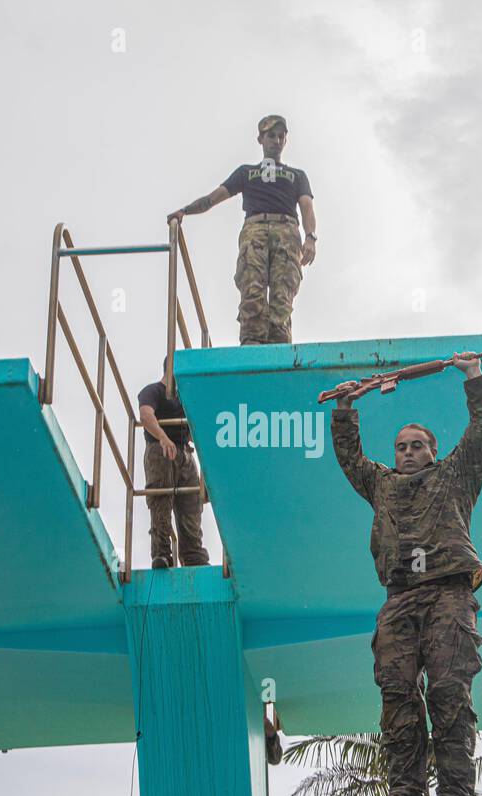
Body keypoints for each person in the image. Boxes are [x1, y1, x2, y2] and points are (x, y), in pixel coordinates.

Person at [330, 352, 482, 796]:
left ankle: (453, 795)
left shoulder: (454, 476)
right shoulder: (381, 484)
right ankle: (404, 790)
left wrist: (474, 377)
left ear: (432, 450)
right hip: (399, 598)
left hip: (448, 593)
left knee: (448, 689)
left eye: (417, 445)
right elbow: (350, 459)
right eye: (401, 446)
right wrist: (345, 409)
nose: (407, 452)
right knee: (396, 690)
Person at [166, 114, 317, 345]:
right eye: (270, 136)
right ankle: (252, 345)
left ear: (285, 141)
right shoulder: (247, 172)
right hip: (255, 230)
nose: (276, 141)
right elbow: (214, 197)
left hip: (287, 231)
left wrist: (310, 237)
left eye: (280, 136)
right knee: (252, 291)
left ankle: (280, 349)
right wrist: (185, 211)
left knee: (282, 296)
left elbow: (306, 206)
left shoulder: (297, 175)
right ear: (260, 139)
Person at [138, 356, 210, 569]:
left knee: (191, 504)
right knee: (161, 500)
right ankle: (161, 553)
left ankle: (193, 555)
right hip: (160, 452)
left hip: (185, 455)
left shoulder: (184, 399)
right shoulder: (154, 391)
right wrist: (162, 437)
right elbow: (145, 414)